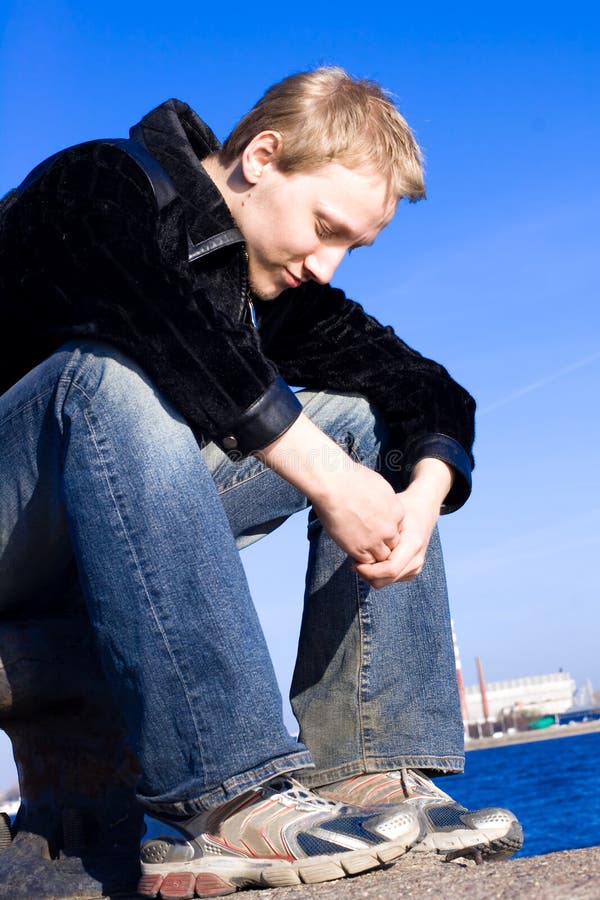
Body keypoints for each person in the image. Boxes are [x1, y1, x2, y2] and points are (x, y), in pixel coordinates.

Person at [0, 67, 522, 899]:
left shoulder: (268, 282)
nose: (328, 265)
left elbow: (428, 388)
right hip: (12, 522)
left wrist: (419, 493)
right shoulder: (99, 184)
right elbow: (149, 316)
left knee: (367, 422)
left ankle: (366, 769)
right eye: (324, 227)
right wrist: (329, 483)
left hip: (111, 523)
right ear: (262, 157)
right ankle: (229, 795)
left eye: (353, 245)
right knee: (109, 377)